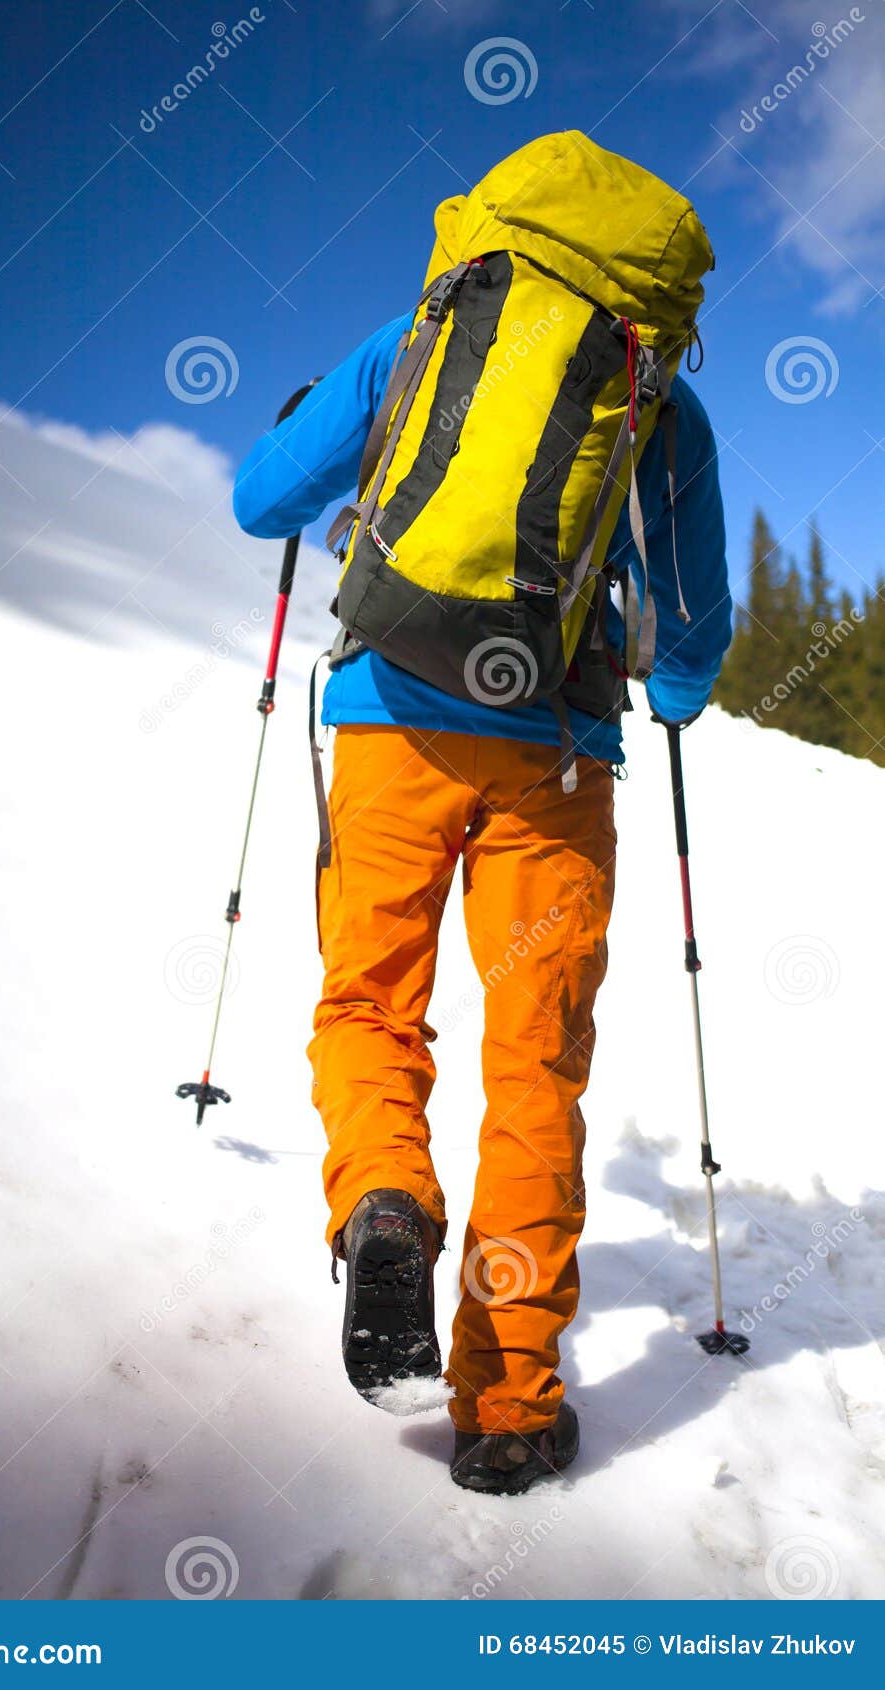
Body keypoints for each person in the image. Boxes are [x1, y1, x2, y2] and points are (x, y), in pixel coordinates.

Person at [233, 133, 731, 1495]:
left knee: (372, 1004)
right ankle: (509, 1405)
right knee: (534, 1066)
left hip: (392, 719)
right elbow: (694, 621)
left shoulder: (425, 331)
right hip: (559, 759)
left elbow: (261, 494)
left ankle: (386, 1194)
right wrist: (672, 689)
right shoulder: (657, 398)